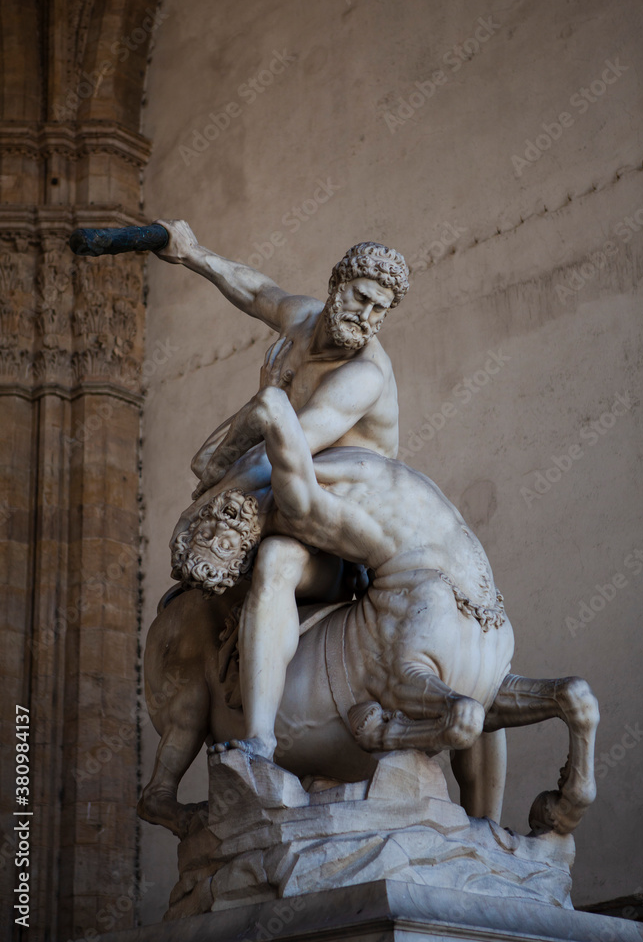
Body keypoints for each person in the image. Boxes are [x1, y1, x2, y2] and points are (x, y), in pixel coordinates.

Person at [171, 386, 513, 764]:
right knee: (277, 557)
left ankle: (262, 735)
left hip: (424, 558)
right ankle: (261, 735)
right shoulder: (294, 503)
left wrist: (211, 486)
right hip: (410, 558)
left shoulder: (271, 491)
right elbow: (270, 406)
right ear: (241, 553)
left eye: (208, 535)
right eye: (222, 546)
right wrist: (210, 491)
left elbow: (252, 422)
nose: (218, 534)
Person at [154, 221, 409, 499]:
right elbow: (257, 293)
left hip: (348, 490)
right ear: (336, 285)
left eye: (378, 309)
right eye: (361, 297)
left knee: (224, 480)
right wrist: (191, 252)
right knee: (204, 462)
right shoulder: (303, 316)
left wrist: (201, 507)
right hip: (291, 451)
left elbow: (282, 453)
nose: (364, 316)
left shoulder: (363, 376)